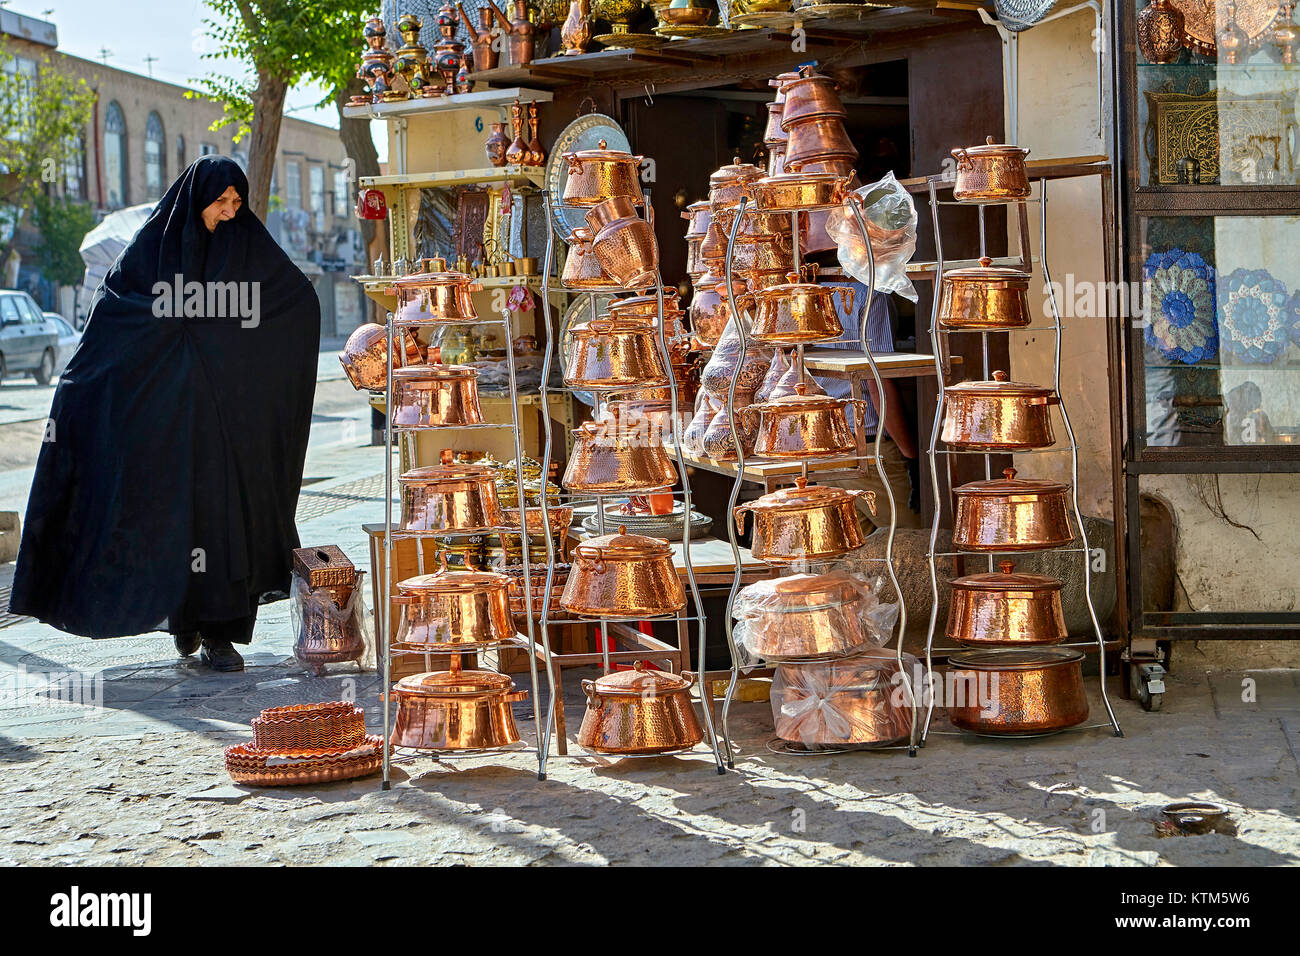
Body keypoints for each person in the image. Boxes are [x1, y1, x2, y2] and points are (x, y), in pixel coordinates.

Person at [9, 156, 320, 672]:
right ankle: (185, 619)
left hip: (224, 432)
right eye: (220, 202)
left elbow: (292, 300)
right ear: (196, 198)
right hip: (165, 427)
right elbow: (115, 316)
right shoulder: (149, 254)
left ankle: (221, 635)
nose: (227, 212)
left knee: (222, 526)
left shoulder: (246, 248)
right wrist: (83, 387)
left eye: (236, 203)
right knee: (173, 524)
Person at [809, 281, 922, 531]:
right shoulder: (870, 296)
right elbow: (877, 382)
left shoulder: (808, 293)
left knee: (857, 553)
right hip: (868, 446)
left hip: (823, 446)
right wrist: (911, 454)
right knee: (910, 540)